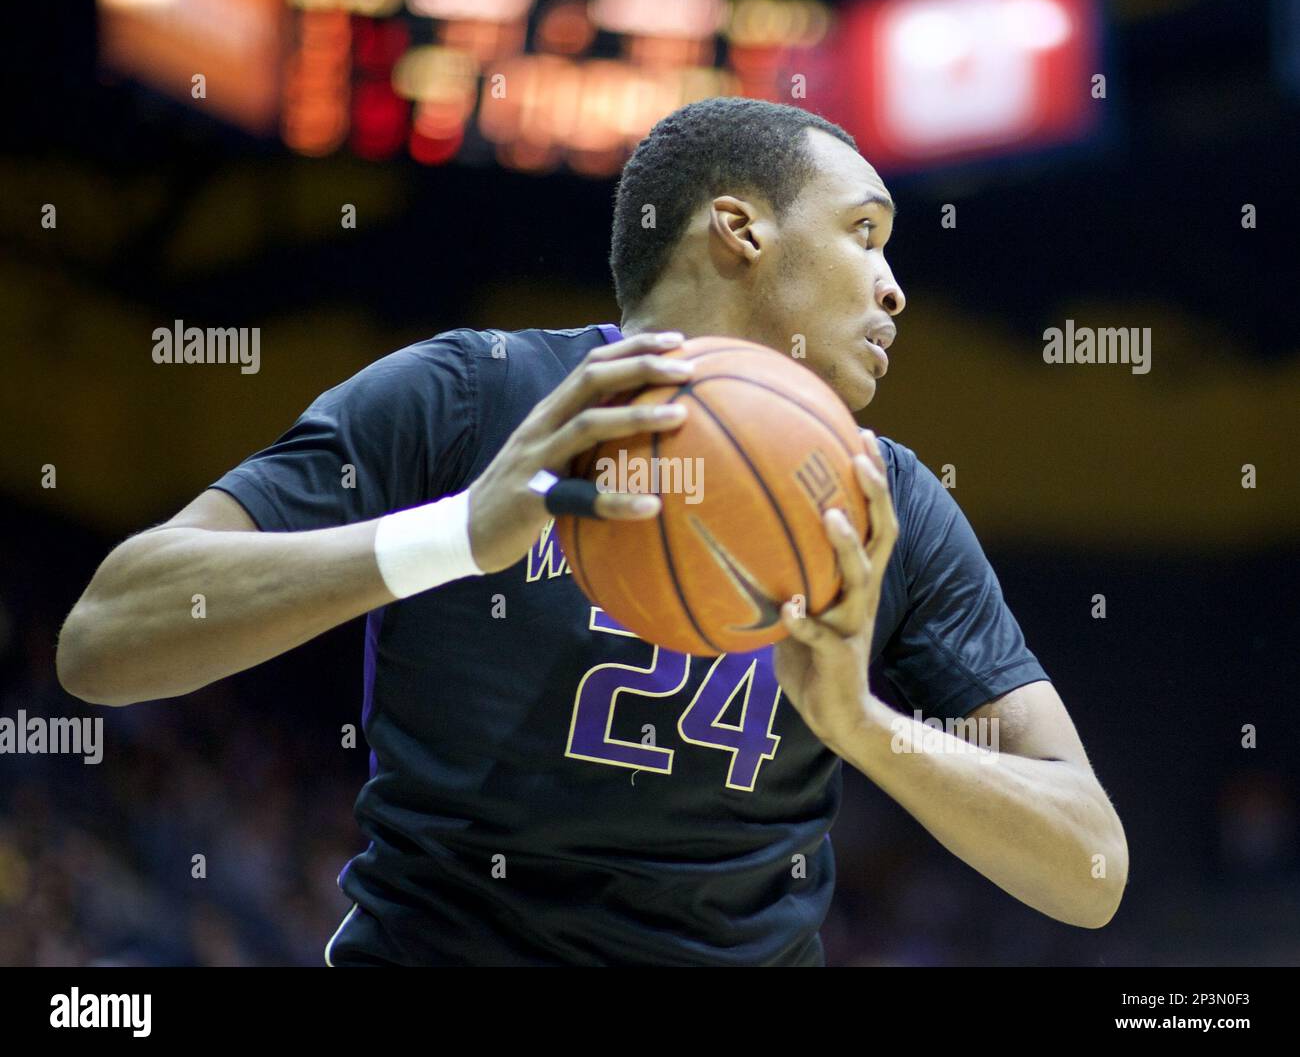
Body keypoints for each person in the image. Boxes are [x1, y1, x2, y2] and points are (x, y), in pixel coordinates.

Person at [56, 97, 1127, 966]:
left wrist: (859, 725)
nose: (894, 287)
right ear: (739, 228)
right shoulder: (471, 398)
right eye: (864, 233)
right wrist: (458, 534)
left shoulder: (889, 504)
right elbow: (102, 640)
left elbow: (1088, 869)